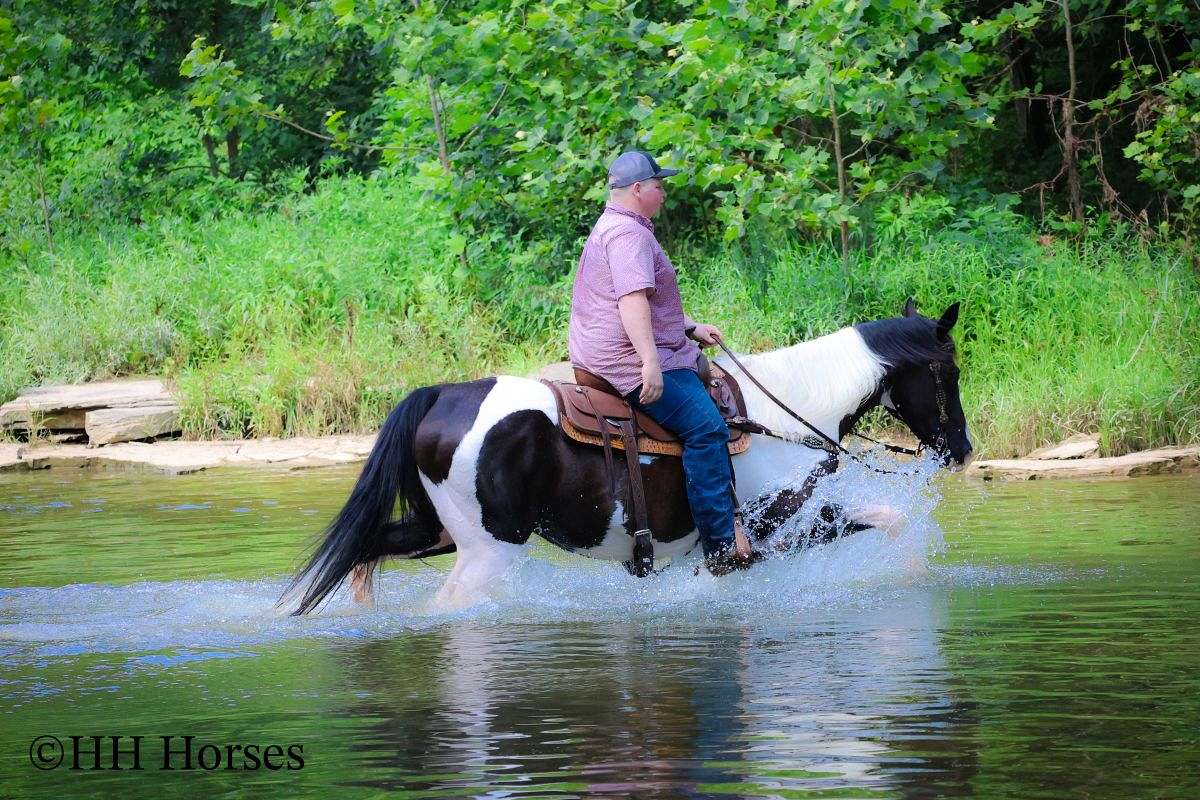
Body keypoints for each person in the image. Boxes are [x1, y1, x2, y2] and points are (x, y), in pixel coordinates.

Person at [568, 150, 754, 574]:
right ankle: (721, 548)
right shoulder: (628, 235)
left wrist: (690, 327)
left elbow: (640, 300)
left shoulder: (614, 226)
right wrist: (649, 364)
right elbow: (631, 301)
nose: (663, 192)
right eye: (658, 185)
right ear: (637, 189)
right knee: (707, 429)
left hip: (610, 351)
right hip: (626, 361)